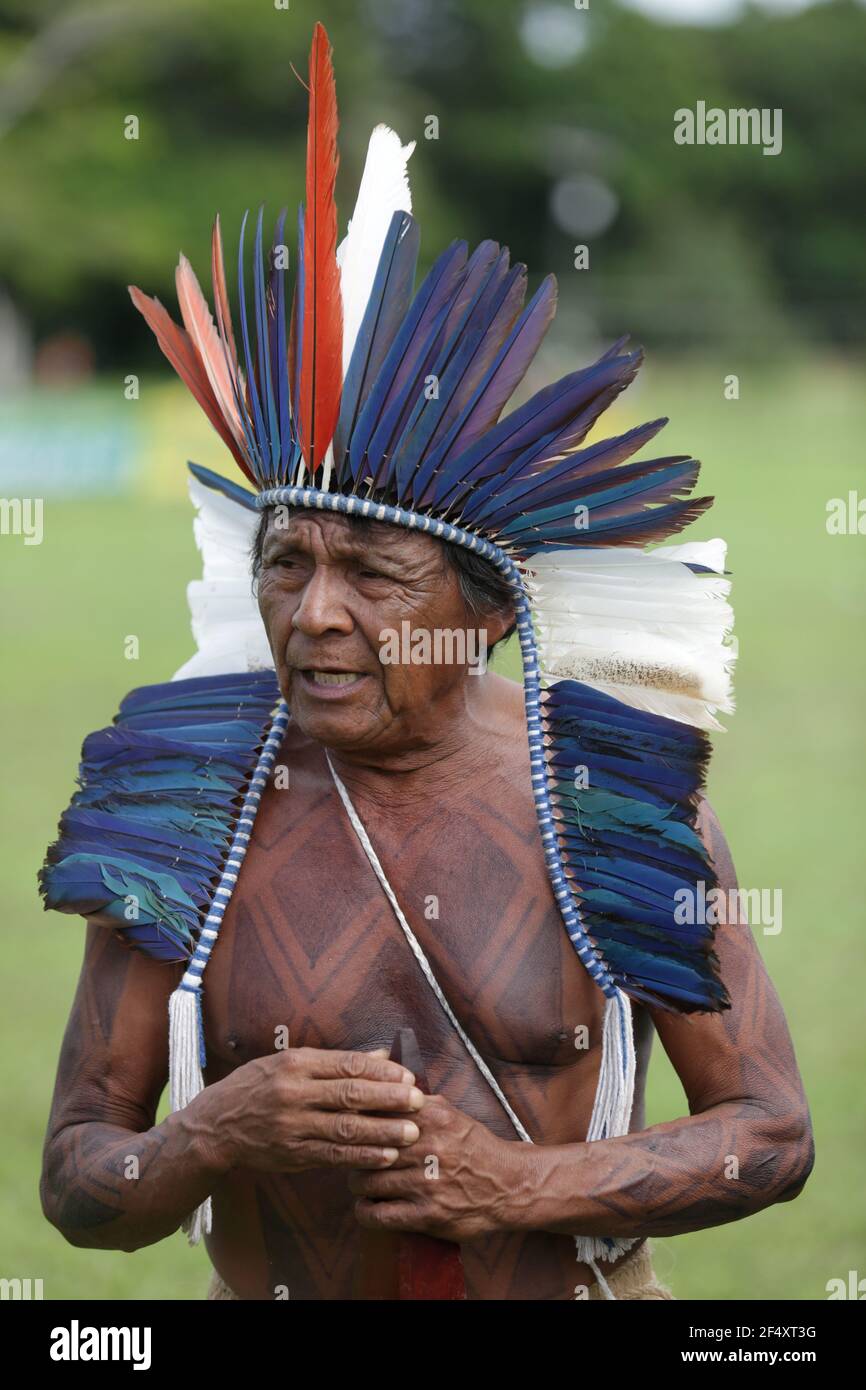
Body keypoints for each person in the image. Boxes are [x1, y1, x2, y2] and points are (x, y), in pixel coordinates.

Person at [38, 23, 813, 1301]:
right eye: (286, 565)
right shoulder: (181, 814)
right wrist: (209, 1133)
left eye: (375, 575)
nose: (316, 615)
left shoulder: (607, 802)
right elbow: (77, 1182)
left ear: (487, 610)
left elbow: (768, 1136)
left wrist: (516, 1186)